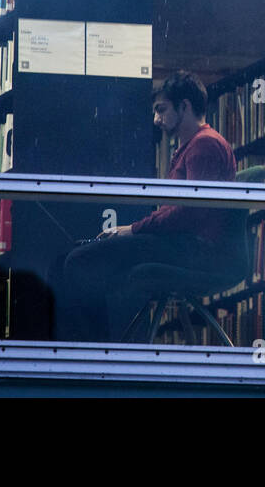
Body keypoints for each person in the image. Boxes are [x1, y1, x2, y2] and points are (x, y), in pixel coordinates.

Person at [56, 72, 240, 341]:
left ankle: (94, 354)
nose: (156, 120)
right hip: (183, 244)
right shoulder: (194, 145)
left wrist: (133, 229)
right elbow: (177, 211)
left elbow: (190, 213)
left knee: (79, 261)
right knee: (75, 258)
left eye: (161, 110)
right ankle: (94, 350)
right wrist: (135, 230)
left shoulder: (205, 145)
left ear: (185, 106)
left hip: (193, 248)